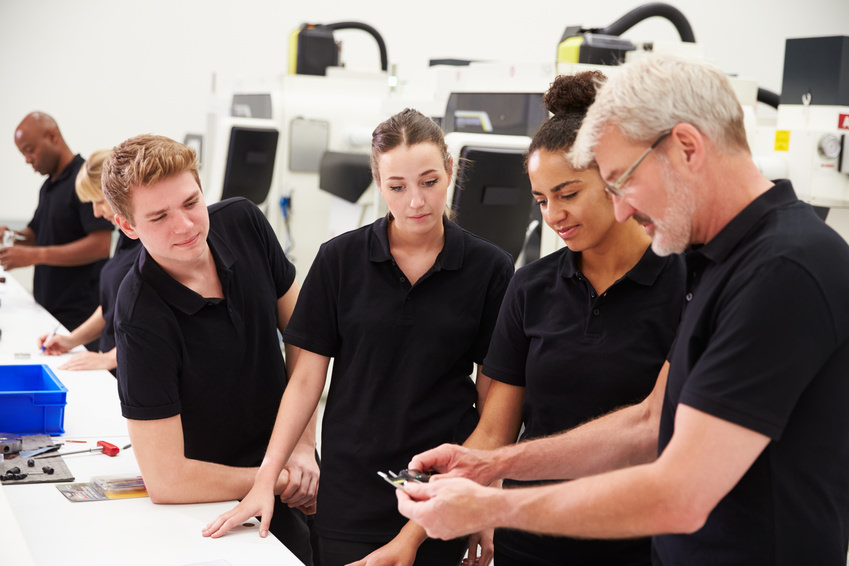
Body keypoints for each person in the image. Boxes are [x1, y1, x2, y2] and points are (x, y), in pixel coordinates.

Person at [396, 53, 849, 566]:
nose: (622, 209)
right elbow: (648, 423)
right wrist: (491, 463)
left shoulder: (783, 270)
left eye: (623, 180)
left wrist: (493, 506)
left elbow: (680, 493)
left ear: (685, 148)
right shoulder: (718, 262)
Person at [203, 108, 514, 566]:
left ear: (451, 170)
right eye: (397, 187)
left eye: (429, 181)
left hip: (443, 492)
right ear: (377, 181)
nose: (415, 202)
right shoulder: (339, 261)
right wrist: (265, 479)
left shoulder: (490, 269)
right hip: (351, 495)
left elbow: (495, 405)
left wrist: (487, 497)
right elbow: (305, 382)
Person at [457, 72, 685, 566]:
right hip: (530, 539)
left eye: (568, 193)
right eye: (541, 200)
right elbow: (495, 431)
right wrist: (428, 514)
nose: (553, 215)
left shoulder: (683, 283)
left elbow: (653, 428)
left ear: (613, 178)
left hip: (635, 543)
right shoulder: (530, 288)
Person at [101, 134, 318, 565]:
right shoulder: (141, 312)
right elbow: (166, 480)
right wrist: (273, 478)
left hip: (297, 465)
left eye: (190, 202)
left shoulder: (243, 221)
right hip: (215, 506)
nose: (184, 226)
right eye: (159, 216)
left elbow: (306, 338)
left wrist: (302, 445)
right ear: (128, 226)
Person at [1, 112, 113, 336]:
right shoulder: (48, 187)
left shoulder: (84, 180)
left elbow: (100, 245)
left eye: (29, 150)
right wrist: (9, 234)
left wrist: (36, 256)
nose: (27, 159)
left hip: (79, 316)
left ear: (52, 136)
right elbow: (35, 234)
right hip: (47, 309)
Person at [39, 149, 142, 372]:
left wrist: (110, 358)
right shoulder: (126, 238)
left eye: (98, 202)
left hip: (133, 370)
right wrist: (71, 340)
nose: (95, 213)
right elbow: (110, 309)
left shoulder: (150, 244)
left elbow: (159, 322)